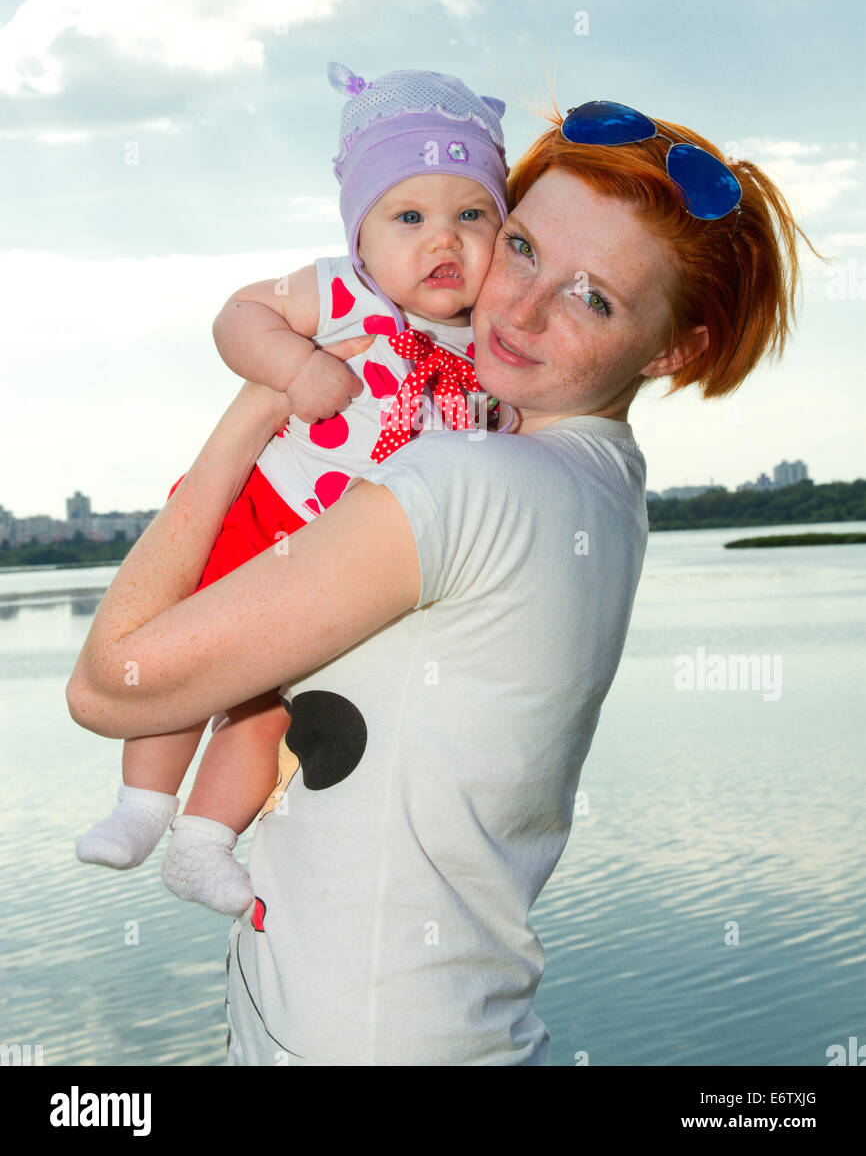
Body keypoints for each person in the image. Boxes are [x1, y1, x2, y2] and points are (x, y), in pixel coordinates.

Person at [66, 97, 811, 1066]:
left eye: (594, 299)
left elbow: (109, 686)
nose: (519, 309)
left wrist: (253, 408)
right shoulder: (601, 479)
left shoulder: (467, 480)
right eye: (521, 248)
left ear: (675, 349)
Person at [74, 63, 511, 916]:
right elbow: (237, 316)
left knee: (268, 705)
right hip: (264, 510)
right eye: (410, 217)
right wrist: (294, 366)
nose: (444, 241)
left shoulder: (485, 347)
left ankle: (203, 842)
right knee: (186, 662)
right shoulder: (342, 289)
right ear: (361, 235)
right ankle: (142, 806)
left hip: (338, 563)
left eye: (473, 217)